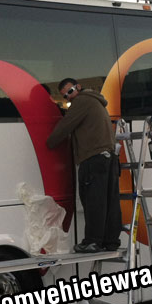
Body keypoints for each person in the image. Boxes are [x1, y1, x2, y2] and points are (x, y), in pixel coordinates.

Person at [46, 78, 123, 253]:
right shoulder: (96, 101)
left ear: (78, 87)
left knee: (93, 201)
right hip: (109, 158)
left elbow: (64, 126)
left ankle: (92, 241)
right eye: (65, 96)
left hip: (93, 158)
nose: (69, 97)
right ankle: (111, 241)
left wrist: (50, 142)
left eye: (70, 91)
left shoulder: (82, 101)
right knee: (109, 202)